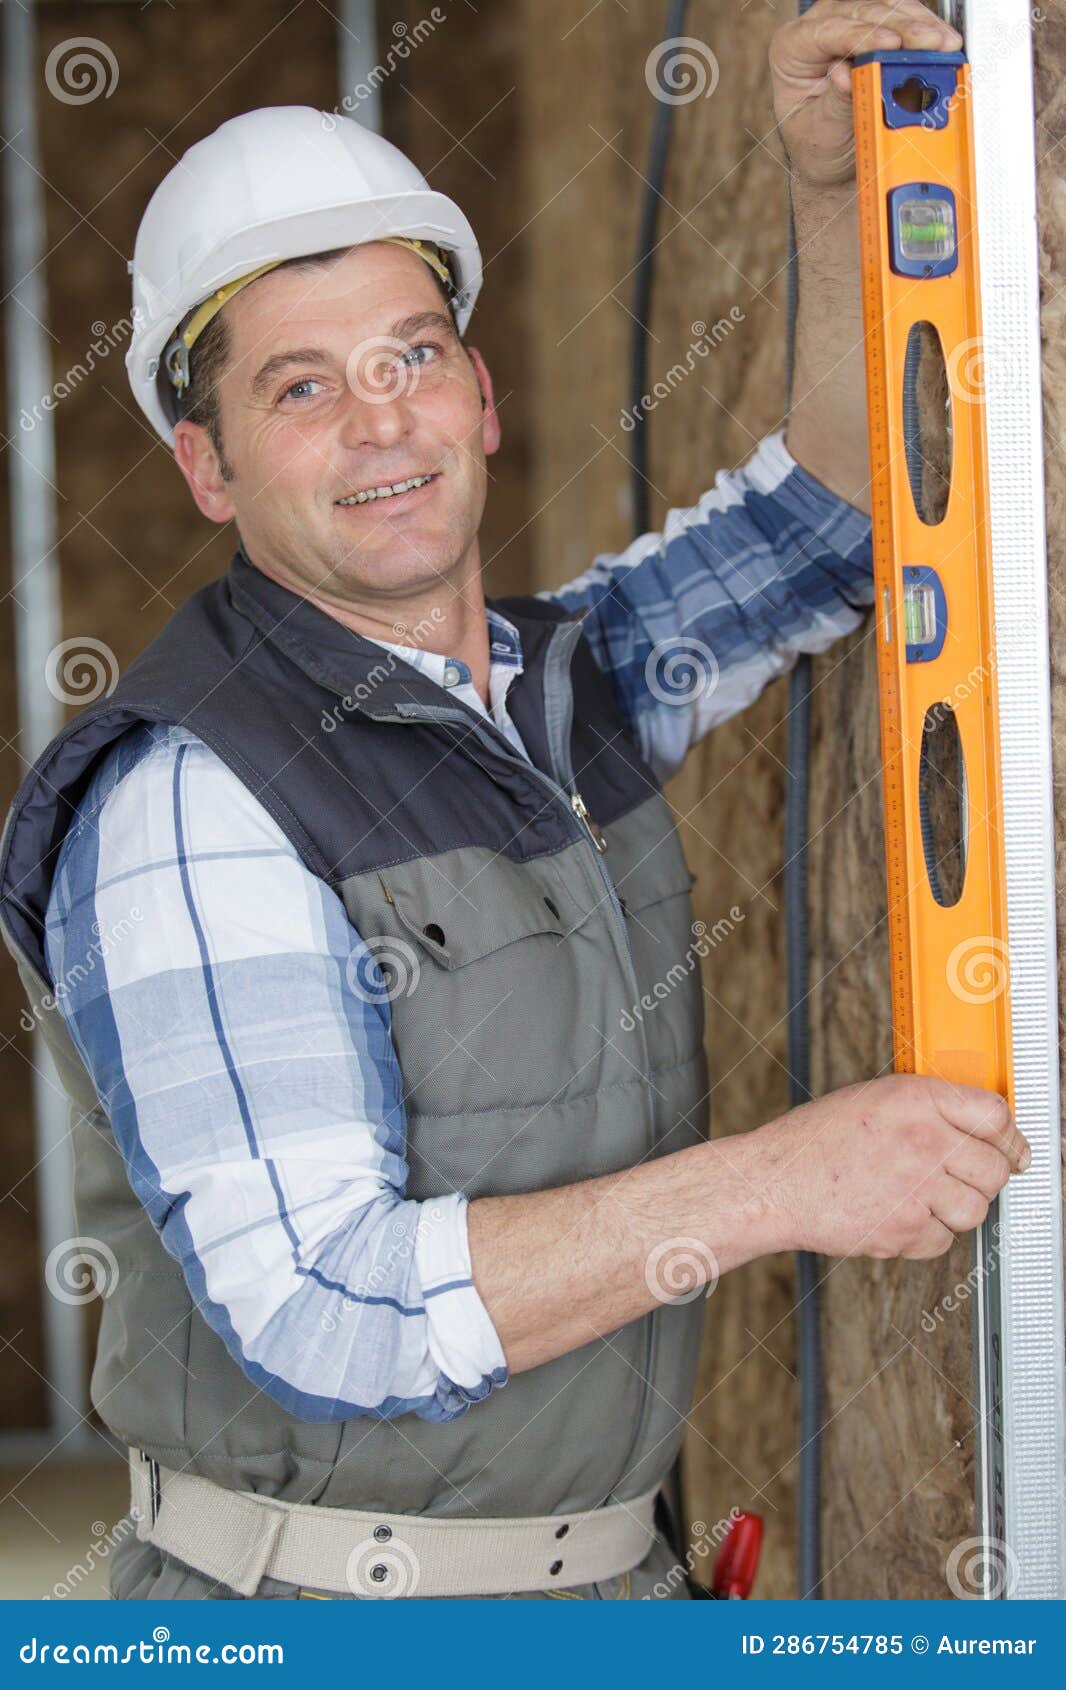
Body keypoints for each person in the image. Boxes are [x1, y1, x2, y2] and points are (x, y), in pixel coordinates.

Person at [0, 1, 1027, 1601]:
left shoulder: (557, 685)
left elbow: (833, 512)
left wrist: (829, 193)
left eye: (409, 356)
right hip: (321, 1613)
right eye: (298, 389)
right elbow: (320, 1303)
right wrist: (780, 1180)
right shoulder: (191, 802)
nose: (379, 422)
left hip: (606, 1587)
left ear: (477, 393)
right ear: (207, 467)